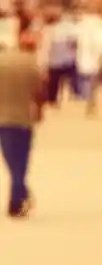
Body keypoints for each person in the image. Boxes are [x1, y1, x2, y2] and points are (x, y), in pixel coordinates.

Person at [0, 26, 42, 218]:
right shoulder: (33, 65)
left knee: (11, 161)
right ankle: (17, 199)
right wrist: (40, 112)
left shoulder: (2, 62)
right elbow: (41, 92)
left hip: (3, 119)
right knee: (21, 162)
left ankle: (18, 198)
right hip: (25, 119)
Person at [75, 5, 102, 116]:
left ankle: (91, 104)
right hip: (95, 59)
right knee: (93, 83)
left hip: (95, 59)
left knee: (93, 83)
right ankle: (91, 104)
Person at [41, 8, 77, 106]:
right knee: (63, 81)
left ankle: (53, 99)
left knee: (54, 82)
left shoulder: (49, 30)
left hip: (54, 60)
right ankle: (62, 98)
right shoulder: (63, 29)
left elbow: (46, 47)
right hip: (64, 59)